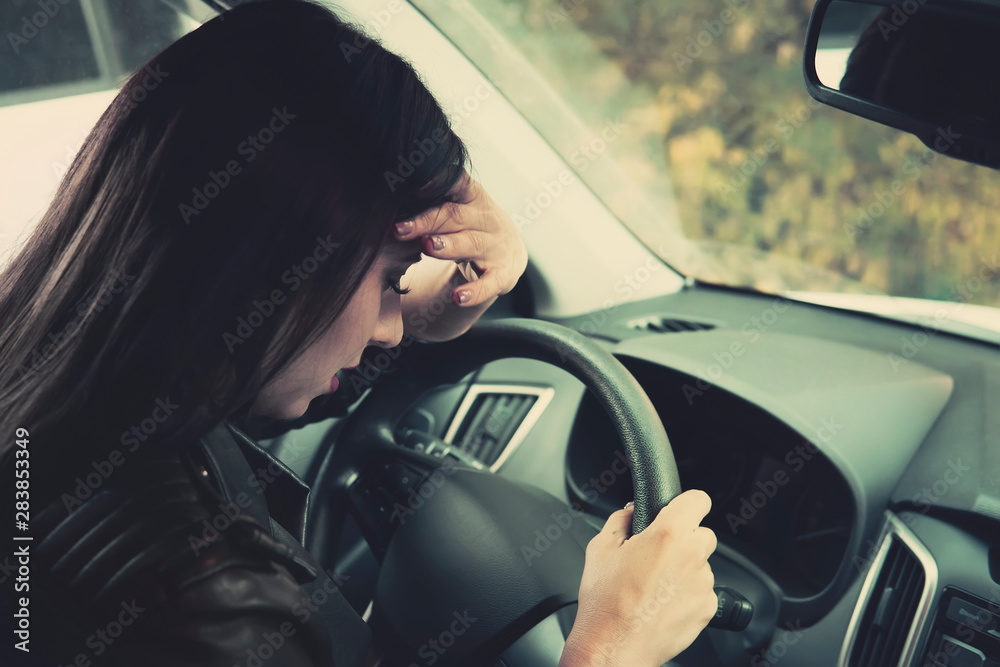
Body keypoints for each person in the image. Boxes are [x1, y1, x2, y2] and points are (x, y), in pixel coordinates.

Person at [0, 1, 718, 665]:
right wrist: (610, 645)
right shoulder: (219, 617)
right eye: (389, 279)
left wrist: (431, 309)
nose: (388, 325)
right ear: (267, 263)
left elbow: (254, 378)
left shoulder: (72, 383)